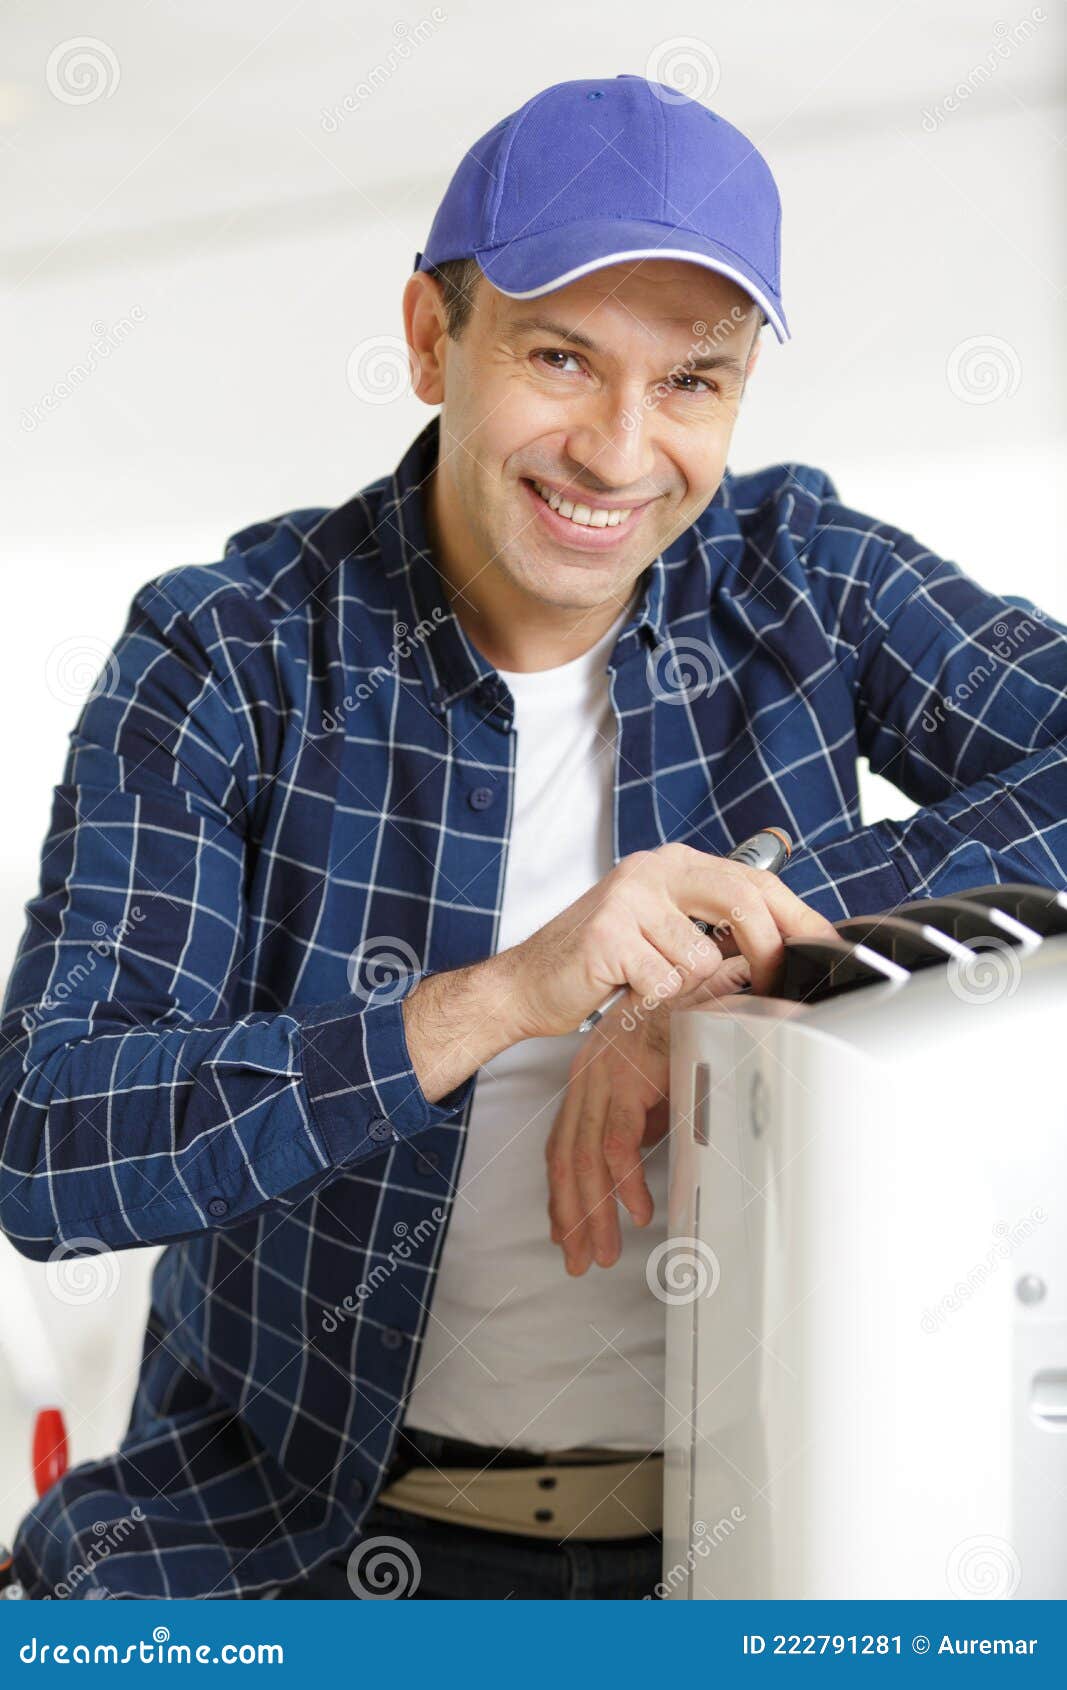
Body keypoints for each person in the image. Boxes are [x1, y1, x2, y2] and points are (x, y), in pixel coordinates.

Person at [1, 74, 1064, 1602]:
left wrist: (732, 943)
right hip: (284, 1547)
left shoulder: (806, 580)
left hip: (752, 1537)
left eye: (692, 380)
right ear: (435, 340)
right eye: (562, 359)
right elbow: (53, 1140)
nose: (622, 454)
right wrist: (509, 994)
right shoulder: (225, 656)